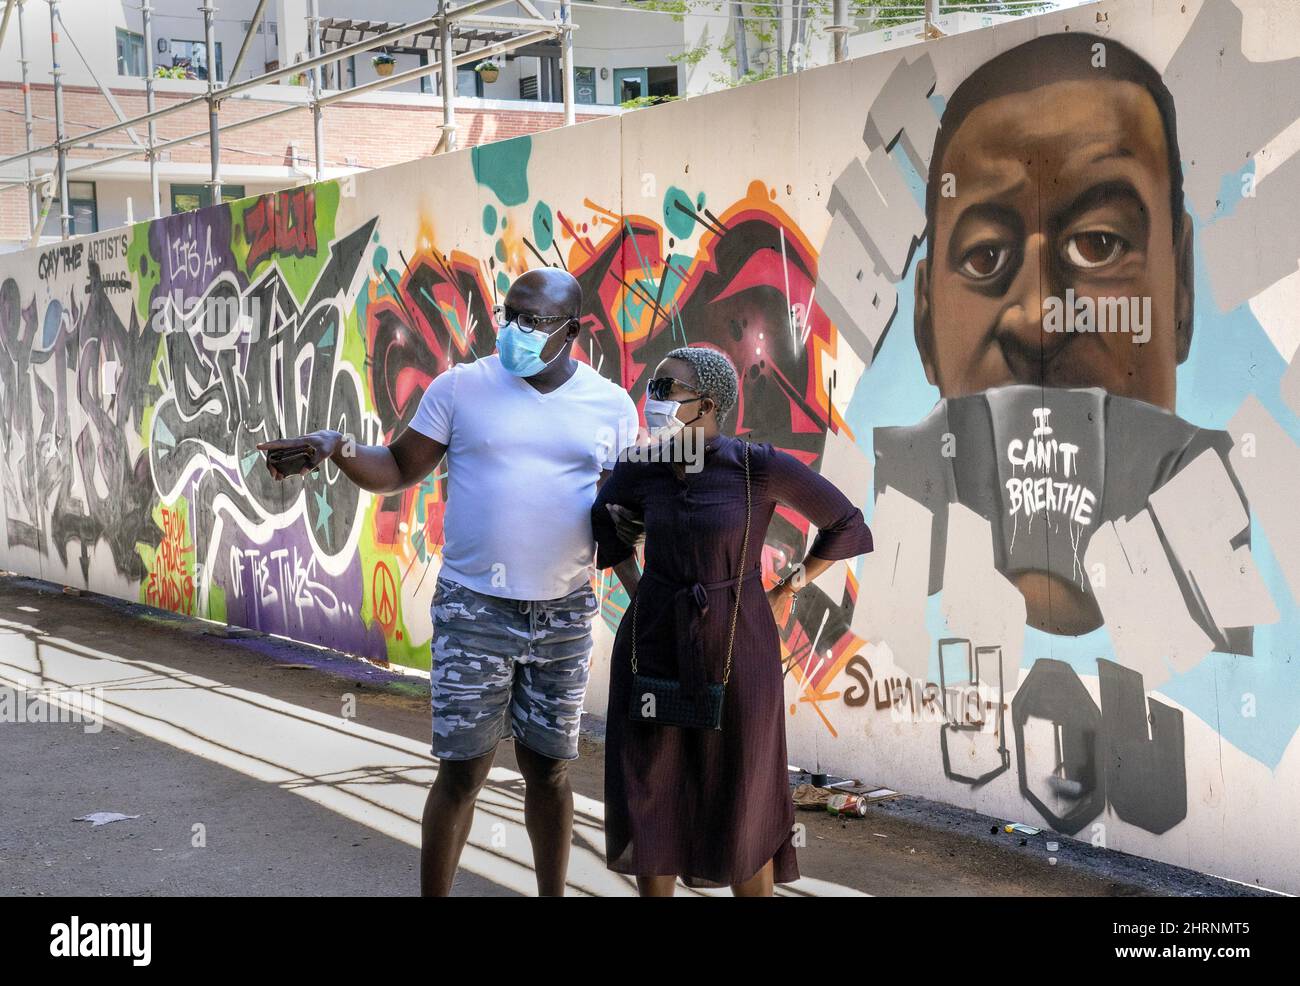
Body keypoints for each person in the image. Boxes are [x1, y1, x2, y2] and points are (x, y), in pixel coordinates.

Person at [258, 268, 638, 896]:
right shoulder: (461, 388)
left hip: (564, 613)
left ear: (571, 330)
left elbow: (614, 510)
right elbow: (399, 468)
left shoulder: (610, 405)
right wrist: (338, 447)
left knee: (549, 771)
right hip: (474, 610)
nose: (516, 330)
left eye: (535, 321)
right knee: (462, 771)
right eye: (509, 315)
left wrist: (642, 589)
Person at [591, 346, 873, 896]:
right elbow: (602, 526)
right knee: (654, 788)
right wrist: (640, 591)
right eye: (653, 387)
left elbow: (846, 523)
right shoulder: (640, 466)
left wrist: (790, 586)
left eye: (667, 389)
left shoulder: (756, 467)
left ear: (709, 405)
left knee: (743, 795)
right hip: (654, 645)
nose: (653, 399)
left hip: (739, 646)